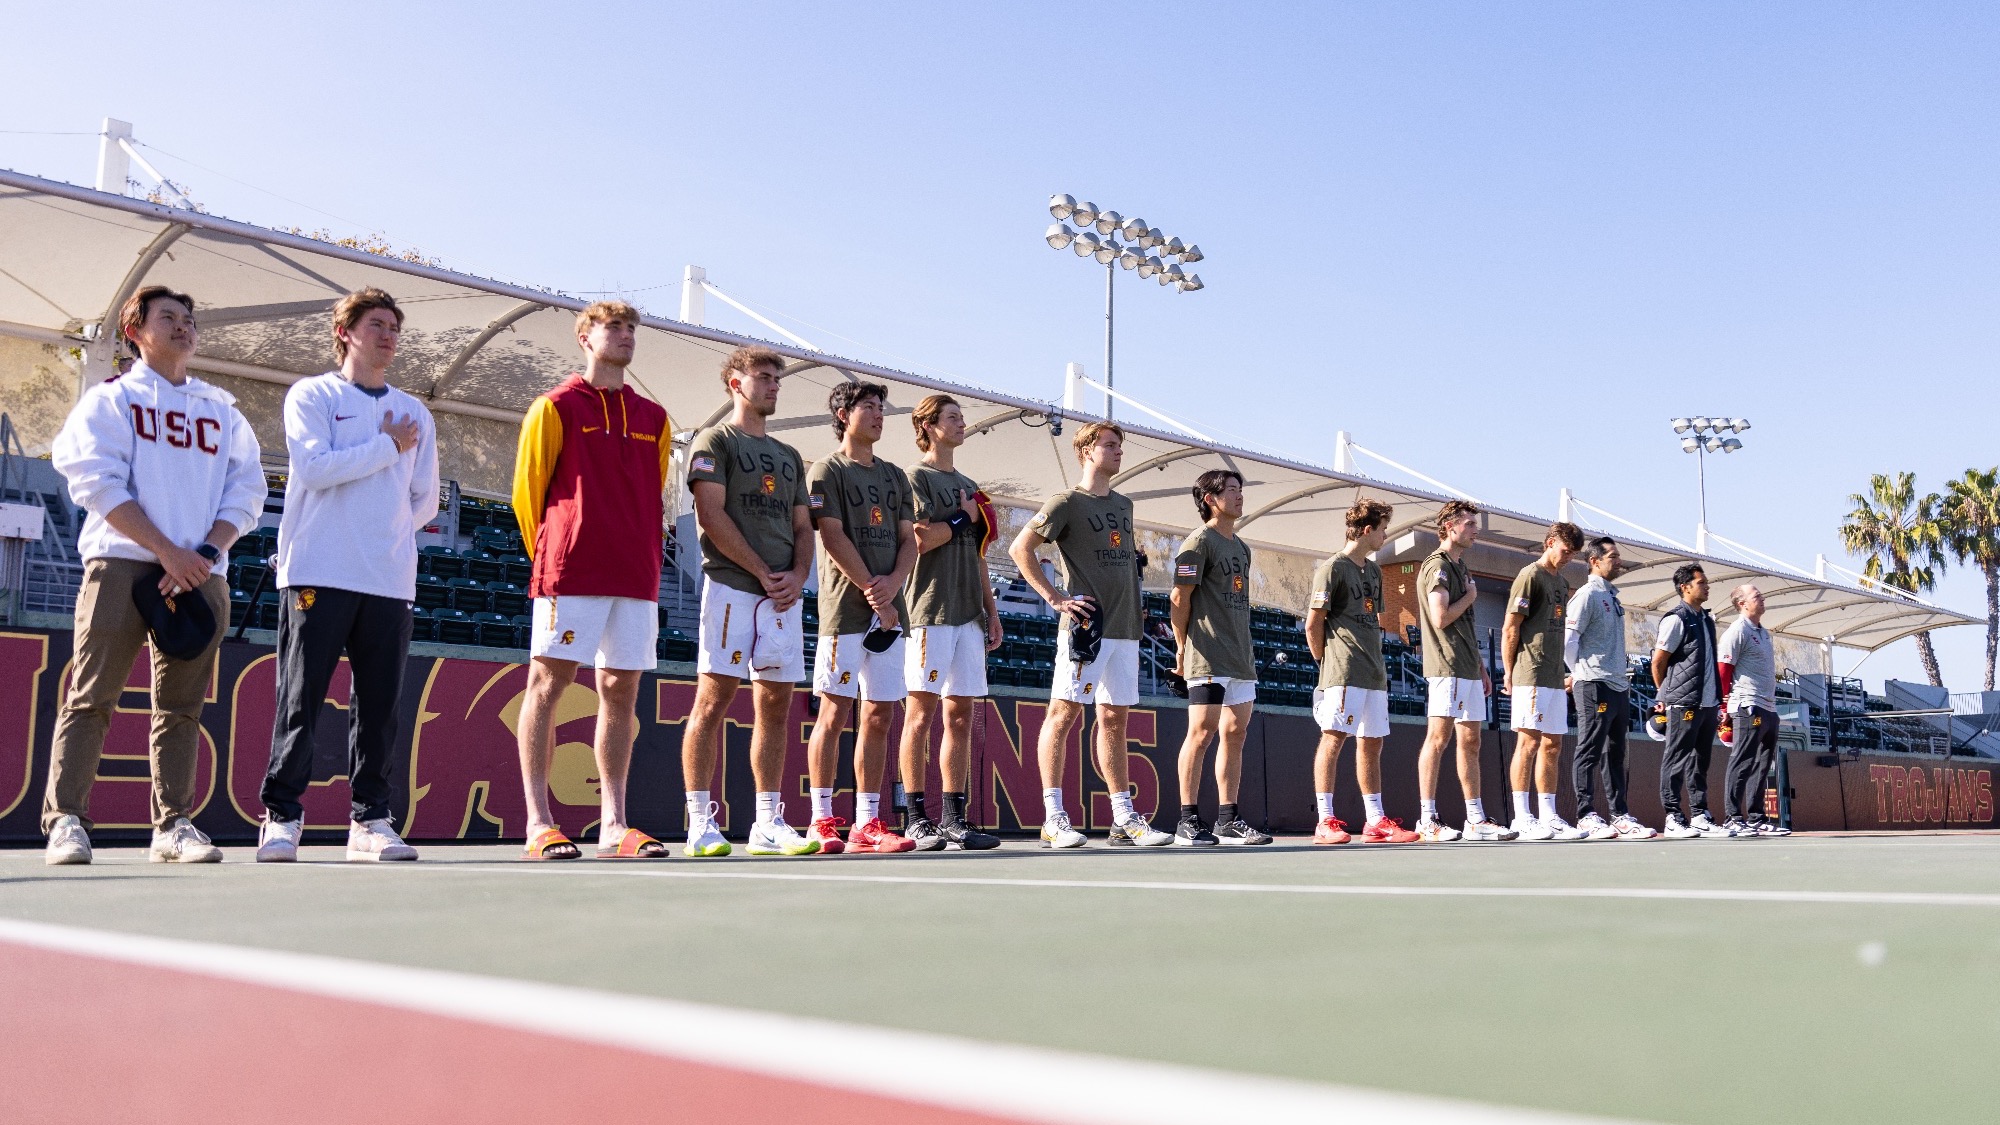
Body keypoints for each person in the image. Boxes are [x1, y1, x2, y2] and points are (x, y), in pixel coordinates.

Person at [44, 285, 264, 864]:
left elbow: (248, 491)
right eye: (168, 317)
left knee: (183, 707)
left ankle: (173, 825)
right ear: (135, 330)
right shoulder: (111, 399)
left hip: (200, 572)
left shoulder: (221, 409)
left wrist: (205, 554)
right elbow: (94, 481)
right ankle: (66, 820)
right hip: (122, 562)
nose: (183, 326)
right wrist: (169, 552)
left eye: (189, 319)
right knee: (92, 696)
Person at [258, 288, 437, 863]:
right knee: (301, 697)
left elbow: (425, 499)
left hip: (388, 580)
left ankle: (370, 820)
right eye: (376, 325)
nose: (388, 336)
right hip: (317, 568)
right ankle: (282, 817)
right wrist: (386, 447)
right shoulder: (312, 394)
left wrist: (382, 533)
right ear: (345, 332)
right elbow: (313, 469)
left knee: (380, 707)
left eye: (394, 328)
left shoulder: (416, 412)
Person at [510, 301, 676, 861]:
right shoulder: (553, 406)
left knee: (621, 690)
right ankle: (538, 822)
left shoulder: (655, 418)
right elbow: (527, 494)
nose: (626, 335)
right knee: (547, 684)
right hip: (571, 570)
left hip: (635, 573)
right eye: (614, 326)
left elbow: (652, 491)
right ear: (585, 337)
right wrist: (554, 558)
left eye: (631, 328)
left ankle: (614, 824)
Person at [682, 346, 820, 856]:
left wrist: (798, 575)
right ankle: (699, 822)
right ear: (735, 383)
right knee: (713, 699)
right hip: (732, 586)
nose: (773, 385)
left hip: (783, 597)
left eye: (777, 379)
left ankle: (767, 822)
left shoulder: (788, 456)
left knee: (776, 705)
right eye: (763, 376)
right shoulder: (715, 440)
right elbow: (710, 515)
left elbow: (803, 527)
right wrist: (762, 571)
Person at [1008, 421, 1171, 847]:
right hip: (1087, 628)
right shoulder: (1065, 501)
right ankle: (1053, 818)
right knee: (1063, 715)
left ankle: (1123, 818)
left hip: (1126, 628)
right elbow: (1019, 548)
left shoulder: (1123, 505)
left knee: (1115, 720)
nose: (1119, 451)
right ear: (1085, 451)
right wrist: (1055, 597)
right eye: (1110, 445)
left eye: (1120, 445)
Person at [804, 382, 919, 854]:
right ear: (842, 414)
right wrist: (875, 591)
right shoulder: (826, 470)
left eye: (880, 408)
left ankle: (867, 822)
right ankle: (820, 820)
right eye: (868, 406)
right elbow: (831, 535)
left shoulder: (895, 476)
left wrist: (893, 584)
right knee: (833, 711)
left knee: (879, 714)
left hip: (891, 615)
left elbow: (910, 540)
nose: (878, 414)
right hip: (845, 612)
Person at [897, 395, 1002, 851]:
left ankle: (954, 819)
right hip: (929, 611)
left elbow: (979, 556)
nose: (962, 424)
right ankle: (915, 817)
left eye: (962, 418)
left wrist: (991, 612)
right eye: (952, 418)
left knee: (961, 716)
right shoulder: (915, 477)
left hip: (968, 616)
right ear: (928, 425)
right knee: (919, 715)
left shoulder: (970, 485)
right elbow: (921, 539)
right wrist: (963, 517)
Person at [1168, 470, 1273, 846]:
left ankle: (1227, 820)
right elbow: (1179, 598)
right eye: (1231, 490)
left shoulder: (1242, 548)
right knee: (1201, 733)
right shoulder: (1198, 542)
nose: (1239, 496)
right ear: (1210, 499)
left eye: (1240, 489)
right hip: (1207, 655)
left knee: (1235, 734)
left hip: (1240, 657)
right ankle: (1187, 821)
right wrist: (1182, 648)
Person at [1305, 498, 1417, 845]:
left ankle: (1375, 821)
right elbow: (1313, 624)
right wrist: (1327, 664)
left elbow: (1373, 620)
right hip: (1343, 671)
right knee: (1334, 738)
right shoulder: (1332, 569)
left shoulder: (1373, 571)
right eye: (1383, 530)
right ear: (1367, 530)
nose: (1385, 536)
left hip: (1374, 672)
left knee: (1372, 744)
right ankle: (1325, 820)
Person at [1414, 501, 1515, 841]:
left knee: (1471, 741)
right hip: (1446, 665)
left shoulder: (1461, 566)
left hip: (1468, 667)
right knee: (1438, 738)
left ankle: (1475, 819)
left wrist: (1481, 667)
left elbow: (1465, 625)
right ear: (1449, 526)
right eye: (1469, 524)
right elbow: (1440, 617)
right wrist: (1471, 597)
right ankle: (1427, 818)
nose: (1476, 530)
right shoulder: (1437, 565)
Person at [1562, 537, 1656, 840]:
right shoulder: (1587, 595)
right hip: (1594, 683)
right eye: (1612, 557)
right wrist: (1579, 672)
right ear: (1594, 561)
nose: (1619, 561)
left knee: (1616, 753)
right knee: (1589, 748)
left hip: (1617, 685)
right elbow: (1568, 641)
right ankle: (1585, 815)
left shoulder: (1612, 597)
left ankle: (1620, 816)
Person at [1502, 522, 1584, 842]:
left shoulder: (1562, 583)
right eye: (1565, 551)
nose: (1568, 558)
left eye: (1573, 554)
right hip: (1530, 673)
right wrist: (1509, 672)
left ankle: (1549, 816)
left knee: (1553, 744)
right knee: (1529, 743)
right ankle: (1522, 817)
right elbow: (1511, 627)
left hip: (1553, 676)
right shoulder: (1529, 576)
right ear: (1550, 543)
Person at [1650, 563, 1734, 839]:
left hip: (1707, 704)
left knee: (1700, 762)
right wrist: (1665, 694)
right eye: (1702, 582)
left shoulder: (1706, 620)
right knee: (1676, 759)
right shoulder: (1676, 619)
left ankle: (1699, 815)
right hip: (1683, 702)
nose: (1707, 586)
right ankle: (1673, 817)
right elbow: (1658, 661)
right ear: (1685, 587)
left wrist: (1717, 701)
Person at [1719, 583, 1790, 836]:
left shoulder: (1763, 633)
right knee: (1743, 761)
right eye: (1756, 595)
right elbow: (1723, 671)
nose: (1762, 598)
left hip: (1768, 707)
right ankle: (1732, 817)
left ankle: (1756, 818)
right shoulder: (1737, 631)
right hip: (1747, 705)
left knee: (1762, 765)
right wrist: (1724, 708)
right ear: (1742, 603)